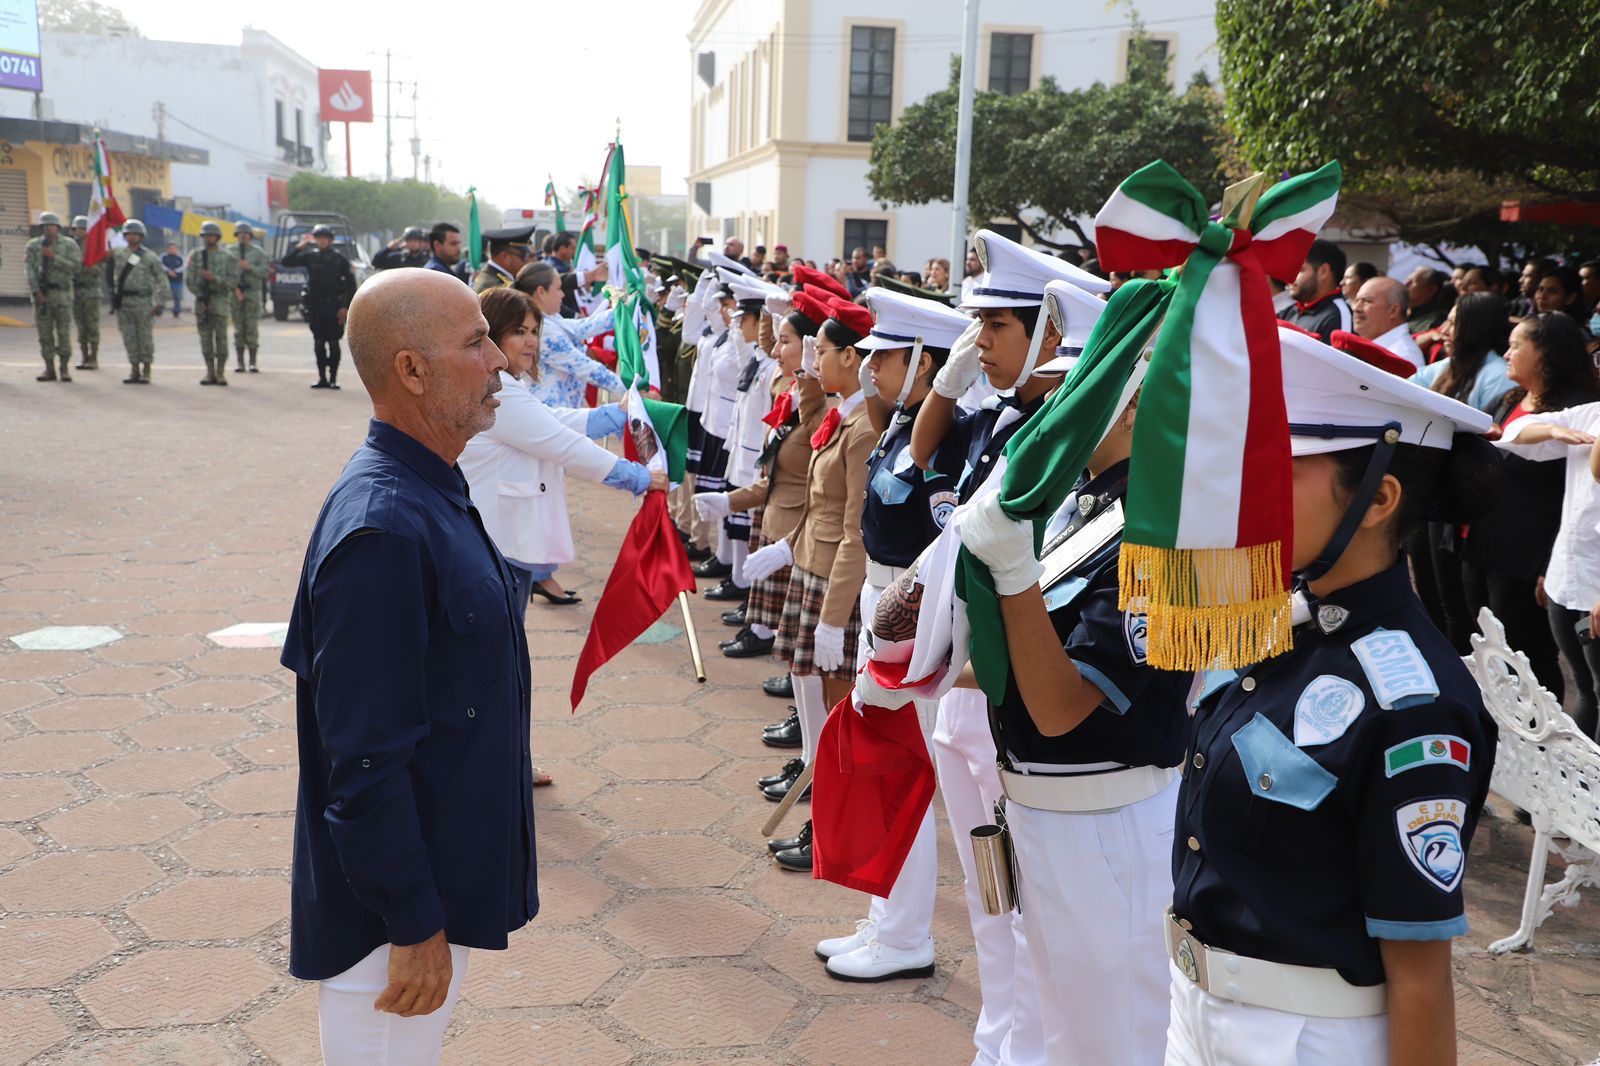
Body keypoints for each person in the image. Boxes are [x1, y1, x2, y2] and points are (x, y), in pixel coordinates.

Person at [1165, 325, 1502, 1066]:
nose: (1248, 494)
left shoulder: (1415, 703)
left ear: (1379, 499)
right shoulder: (1277, 613)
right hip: (1195, 1012)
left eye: (1277, 472)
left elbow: (1420, 975)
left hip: (1305, 1040)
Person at [281, 268, 534, 1064]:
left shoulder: (430, 487)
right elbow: (361, 759)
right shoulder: (385, 529)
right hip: (385, 928)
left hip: (425, 884)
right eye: (475, 342)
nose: (500, 359)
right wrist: (412, 921)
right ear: (411, 370)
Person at [954, 276, 1184, 1063]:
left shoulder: (1157, 531)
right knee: (1058, 1032)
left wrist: (1012, 573)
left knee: (1109, 1043)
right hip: (1048, 812)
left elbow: (1059, 708)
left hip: (1104, 823)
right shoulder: (1082, 502)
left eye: (1078, 385)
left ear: (1127, 397)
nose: (1055, 407)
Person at [908, 229, 1111, 1066]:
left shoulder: (1069, 460)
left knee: (1037, 929)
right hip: (976, 696)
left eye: (996, 328)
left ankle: (1015, 1045)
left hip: (1026, 712)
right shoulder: (1010, 428)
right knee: (995, 908)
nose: (979, 344)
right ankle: (1000, 1041)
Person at [809, 287, 972, 980]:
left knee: (911, 773)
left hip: (921, 614)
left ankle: (906, 937)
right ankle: (887, 922)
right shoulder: (901, 423)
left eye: (888, 357)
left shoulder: (954, 434)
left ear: (928, 364)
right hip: (888, 602)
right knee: (886, 771)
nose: (871, 368)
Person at [458, 284, 661, 662]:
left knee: (500, 647)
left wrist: (614, 415)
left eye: (534, 331)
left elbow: (551, 420)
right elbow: (559, 442)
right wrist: (636, 476)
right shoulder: (499, 390)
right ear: (492, 334)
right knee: (497, 655)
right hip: (499, 539)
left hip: (500, 537)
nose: (531, 341)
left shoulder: (506, 385)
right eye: (519, 331)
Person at [744, 296, 875, 811]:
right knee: (808, 686)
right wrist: (786, 547)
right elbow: (819, 506)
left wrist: (834, 617)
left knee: (833, 700)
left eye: (820, 351)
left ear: (849, 357)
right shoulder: (843, 415)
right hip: (812, 564)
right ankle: (812, 776)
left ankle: (828, 802)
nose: (812, 362)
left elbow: (854, 530)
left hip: (833, 578)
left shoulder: (862, 429)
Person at [1461, 311, 1599, 718]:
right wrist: (1554, 431)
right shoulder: (1589, 414)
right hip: (1566, 577)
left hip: (1591, 586)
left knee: (1589, 692)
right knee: (1585, 691)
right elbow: (1516, 433)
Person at [1410, 294, 1512, 651]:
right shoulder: (1448, 367)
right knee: (1432, 596)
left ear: (1475, 326)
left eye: (1454, 323)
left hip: (1468, 504)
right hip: (1432, 498)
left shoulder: (1496, 375)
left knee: (1458, 607)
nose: (1445, 331)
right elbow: (1408, 391)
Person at [512, 262, 624, 409]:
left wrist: (622, 313)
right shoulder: (542, 330)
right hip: (552, 414)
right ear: (541, 292)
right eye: (558, 289)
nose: (562, 294)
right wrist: (630, 391)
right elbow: (585, 368)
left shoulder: (548, 318)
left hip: (561, 409)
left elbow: (582, 327)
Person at [106, 219, 166, 385]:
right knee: (129, 337)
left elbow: (162, 280)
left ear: (141, 236)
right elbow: (100, 256)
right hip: (124, 303)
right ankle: (134, 368)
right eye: (128, 233)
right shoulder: (119, 254)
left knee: (144, 338)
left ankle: (146, 370)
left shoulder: (149, 257)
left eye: (135, 234)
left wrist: (160, 302)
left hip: (144, 302)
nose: (131, 236)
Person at [26, 211, 80, 383]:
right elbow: (30, 271)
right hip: (42, 296)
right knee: (44, 335)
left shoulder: (69, 245)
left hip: (62, 295)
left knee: (63, 334)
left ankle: (64, 369)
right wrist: (36, 292)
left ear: (58, 227)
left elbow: (76, 268)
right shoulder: (33, 246)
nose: (48, 229)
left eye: (51, 225)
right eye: (44, 226)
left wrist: (54, 257)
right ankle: (49, 368)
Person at [185, 220, 241, 386]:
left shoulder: (228, 257)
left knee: (221, 340)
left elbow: (233, 281)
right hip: (202, 303)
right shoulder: (196, 255)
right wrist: (201, 295)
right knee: (206, 340)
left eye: (212, 235)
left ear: (218, 237)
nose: (209, 238)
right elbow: (189, 279)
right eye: (206, 235)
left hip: (220, 302)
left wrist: (214, 279)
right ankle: (210, 372)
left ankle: (221, 373)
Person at [1282, 238, 1352, 341]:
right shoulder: (1290, 312)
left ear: (1323, 271)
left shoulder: (1339, 315)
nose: (1290, 277)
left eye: (1299, 270)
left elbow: (1340, 356)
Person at [1351, 275, 1426, 371]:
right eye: (1356, 301)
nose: (1356, 308)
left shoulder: (1403, 357)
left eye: (1367, 301)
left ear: (1394, 310)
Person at [232, 221, 269, 373]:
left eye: (246, 234)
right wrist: (235, 289)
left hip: (252, 293)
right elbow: (226, 273)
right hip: (235, 294)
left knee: (252, 328)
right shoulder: (229, 252)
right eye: (240, 233)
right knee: (238, 329)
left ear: (250, 236)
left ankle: (253, 362)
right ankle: (240, 362)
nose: (243, 236)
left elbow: (265, 272)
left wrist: (250, 267)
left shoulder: (258, 252)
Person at [69, 216, 102, 371]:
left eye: (82, 228)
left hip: (91, 291)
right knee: (81, 327)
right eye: (77, 229)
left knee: (92, 326)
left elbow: (97, 270)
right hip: (76, 291)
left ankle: (93, 358)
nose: (79, 232)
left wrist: (83, 264)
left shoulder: (94, 248)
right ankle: (84, 357)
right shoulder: (70, 247)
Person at [471, 227, 534, 293]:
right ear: (505, 257)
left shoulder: (493, 279)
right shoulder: (496, 288)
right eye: (524, 256)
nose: (528, 261)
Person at [1405, 266, 1451, 335]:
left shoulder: (1438, 320)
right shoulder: (1397, 315)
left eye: (1412, 282)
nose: (1405, 284)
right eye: (1407, 280)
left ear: (1431, 290)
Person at [161, 241, 185, 317]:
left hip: (177, 281)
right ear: (167, 249)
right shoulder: (163, 257)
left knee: (177, 297)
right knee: (163, 296)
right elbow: (160, 265)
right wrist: (168, 271)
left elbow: (184, 267)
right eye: (170, 248)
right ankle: (160, 310)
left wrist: (175, 271)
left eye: (174, 248)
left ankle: (176, 312)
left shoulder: (180, 258)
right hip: (165, 280)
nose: (172, 250)